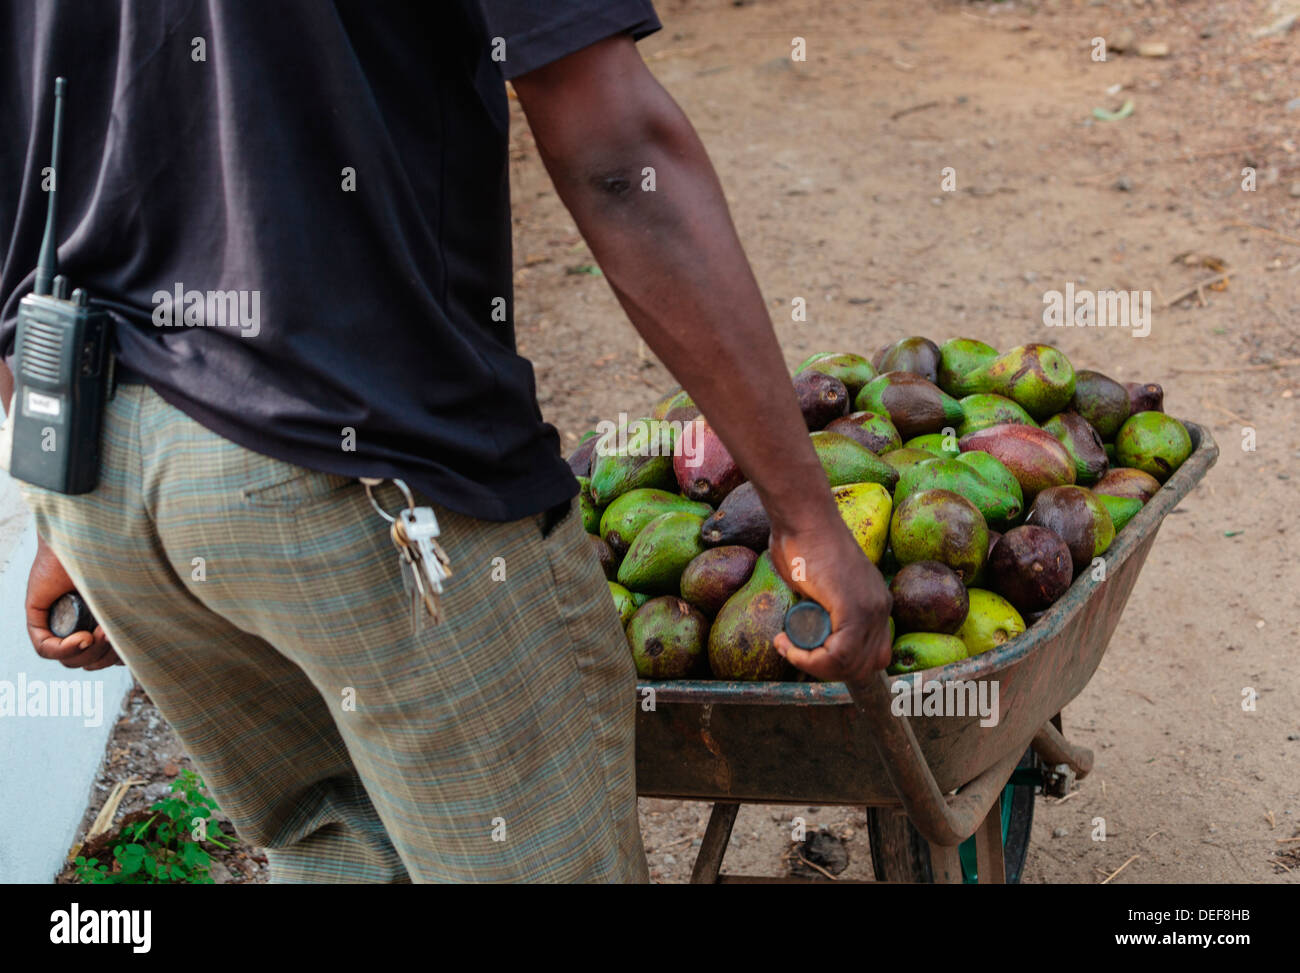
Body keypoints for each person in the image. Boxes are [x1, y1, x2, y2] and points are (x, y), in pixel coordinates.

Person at [0, 1, 891, 883]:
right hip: (353, 464)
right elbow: (619, 154)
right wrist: (805, 515)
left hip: (96, 457)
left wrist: (63, 495)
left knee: (334, 848)